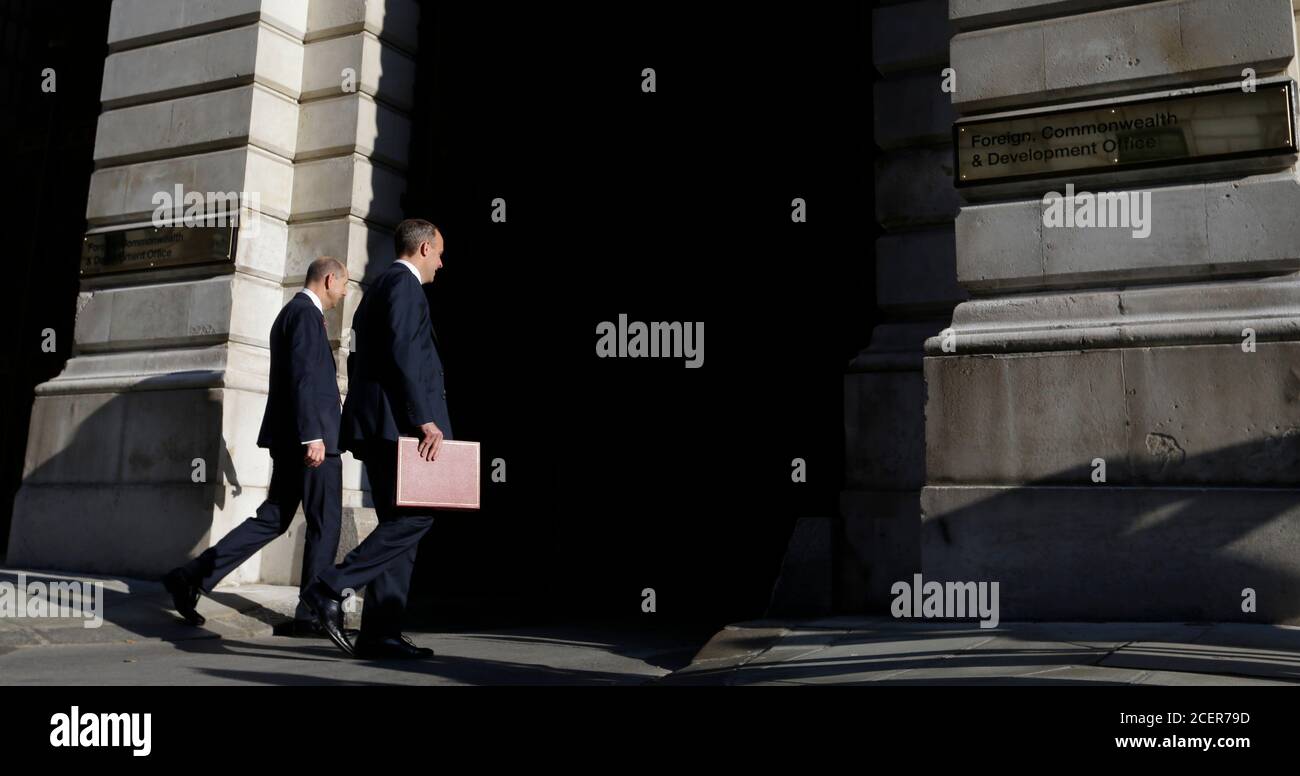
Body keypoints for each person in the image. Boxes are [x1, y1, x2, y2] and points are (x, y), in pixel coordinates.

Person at [163, 257, 348, 632]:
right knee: (325, 523)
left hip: (292, 439)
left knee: (273, 519)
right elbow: (304, 378)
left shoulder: (290, 314)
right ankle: (312, 614)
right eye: (344, 285)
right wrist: (313, 435)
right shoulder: (304, 315)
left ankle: (191, 576)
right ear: (329, 280)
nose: (344, 293)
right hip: (312, 442)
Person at [301, 219, 450, 659]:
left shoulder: (377, 289)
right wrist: (424, 418)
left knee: (397, 524)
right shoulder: (404, 287)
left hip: (378, 425)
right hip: (397, 426)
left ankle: (380, 632)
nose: (441, 263)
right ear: (423, 249)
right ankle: (331, 585)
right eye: (439, 253)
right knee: (419, 517)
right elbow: (405, 353)